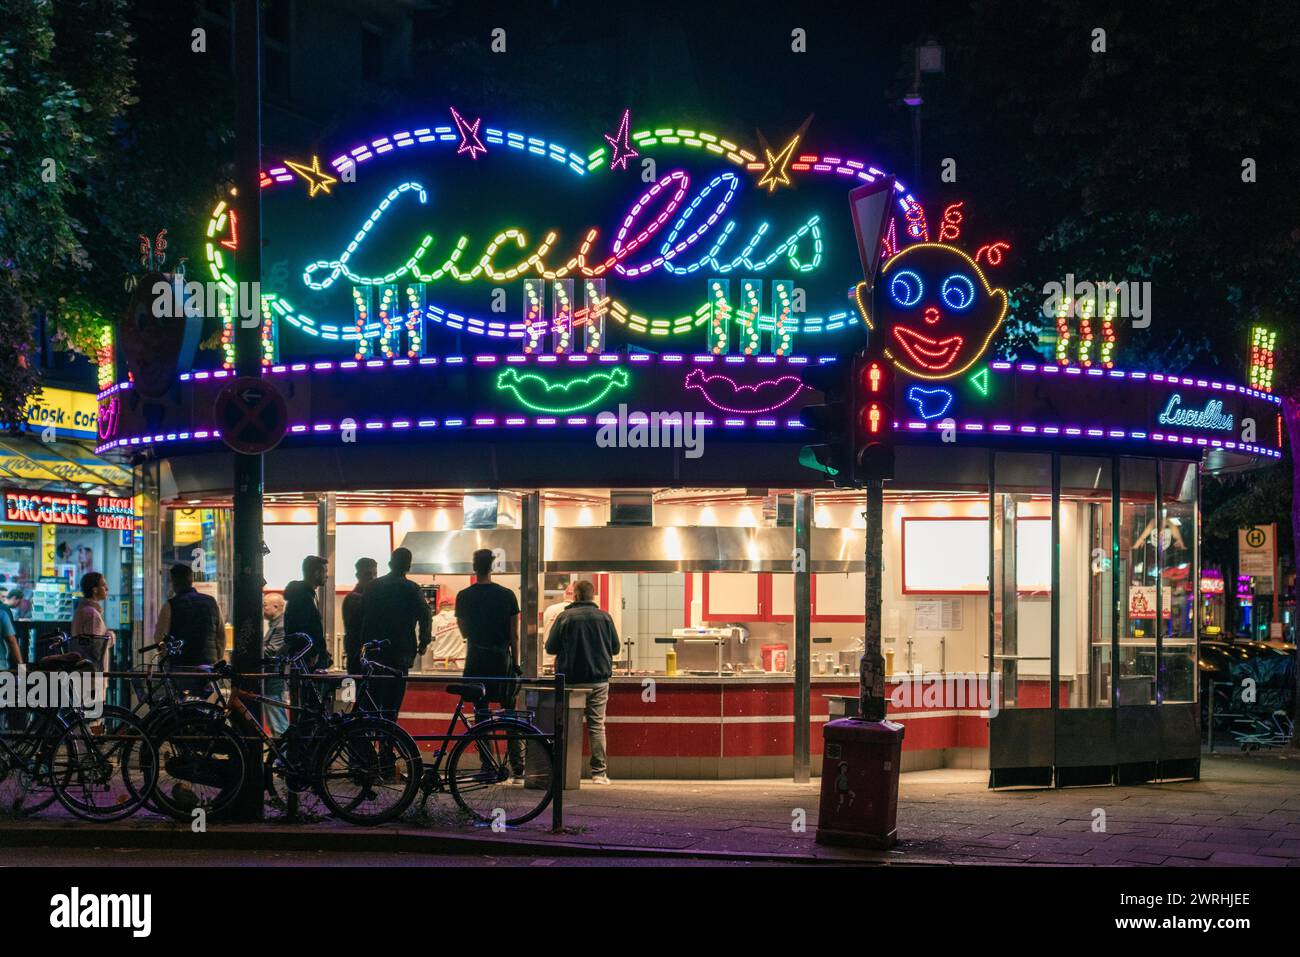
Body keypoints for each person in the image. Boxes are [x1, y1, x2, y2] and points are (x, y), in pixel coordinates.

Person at [456, 548, 524, 779]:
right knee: (509, 713)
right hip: (500, 660)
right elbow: (514, 634)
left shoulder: (464, 596)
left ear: (474, 567)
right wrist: (515, 664)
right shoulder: (507, 595)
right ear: (492, 566)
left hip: (476, 659)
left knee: (481, 712)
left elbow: (464, 631)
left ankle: (487, 765)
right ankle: (517, 765)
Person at [545, 579, 620, 784]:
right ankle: (599, 773)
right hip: (599, 680)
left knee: (567, 725)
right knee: (596, 726)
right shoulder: (605, 617)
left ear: (575, 595)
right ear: (593, 595)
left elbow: (550, 648)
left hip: (570, 682)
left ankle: (566, 771)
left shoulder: (564, 617)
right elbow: (615, 649)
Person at [359, 548, 431, 729]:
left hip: (375, 653)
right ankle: (387, 745)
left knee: (372, 704)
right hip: (400, 655)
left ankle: (368, 747)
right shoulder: (411, 588)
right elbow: (425, 615)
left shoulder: (373, 587)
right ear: (408, 566)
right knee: (392, 707)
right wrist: (423, 641)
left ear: (390, 563)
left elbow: (363, 618)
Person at [154, 564, 223, 694]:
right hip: (207, 668)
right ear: (191, 580)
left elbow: (159, 638)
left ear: (173, 582)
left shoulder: (170, 605)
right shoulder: (211, 602)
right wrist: (216, 659)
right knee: (203, 709)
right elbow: (220, 636)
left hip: (181, 668)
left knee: (182, 710)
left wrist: (165, 659)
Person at [284, 555, 332, 671]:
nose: (327, 576)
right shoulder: (304, 598)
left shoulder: (302, 595)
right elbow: (304, 628)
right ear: (316, 573)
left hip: (304, 655)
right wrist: (312, 652)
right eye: (325, 571)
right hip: (307, 658)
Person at [70, 571, 115, 672]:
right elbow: (95, 647)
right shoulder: (92, 614)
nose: (107, 589)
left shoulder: (83, 610)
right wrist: (110, 636)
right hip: (92, 674)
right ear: (95, 590)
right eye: (104, 586)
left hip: (85, 672)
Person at [342, 557, 378, 675]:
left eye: (375, 574)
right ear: (358, 575)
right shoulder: (355, 599)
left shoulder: (355, 598)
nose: (373, 578)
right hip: (359, 656)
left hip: (360, 654)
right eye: (369, 574)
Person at [261, 593, 290, 736]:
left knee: (277, 724)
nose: (262, 608)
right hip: (272, 680)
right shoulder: (276, 625)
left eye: (265, 605)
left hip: (273, 681)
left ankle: (284, 756)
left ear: (277, 607)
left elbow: (271, 652)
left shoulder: (281, 626)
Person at [540, 582, 575, 674]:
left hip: (547, 659)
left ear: (564, 595)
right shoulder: (575, 612)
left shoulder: (550, 609)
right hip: (566, 661)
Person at [426, 599, 465, 670]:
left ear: (439, 607)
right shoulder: (462, 618)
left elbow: (429, 643)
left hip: (440, 661)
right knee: (459, 681)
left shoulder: (433, 620)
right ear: (454, 606)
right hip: (460, 661)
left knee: (442, 680)